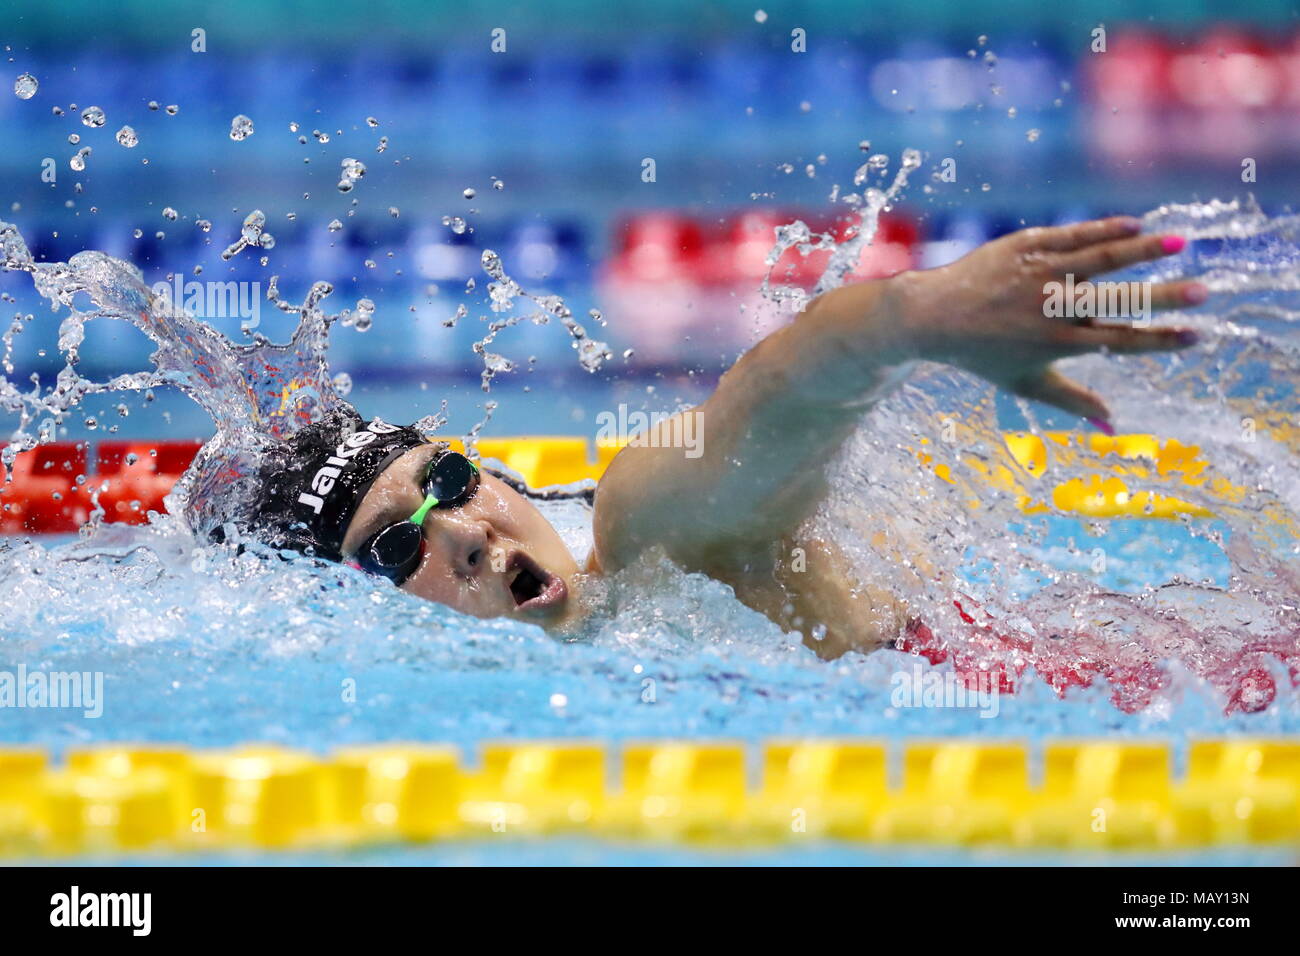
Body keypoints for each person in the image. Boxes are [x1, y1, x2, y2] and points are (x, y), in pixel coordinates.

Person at [249, 217, 1205, 658]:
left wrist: (915, 315)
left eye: (447, 481)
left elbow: (768, 399)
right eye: (395, 547)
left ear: (488, 466)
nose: (458, 533)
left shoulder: (641, 532)